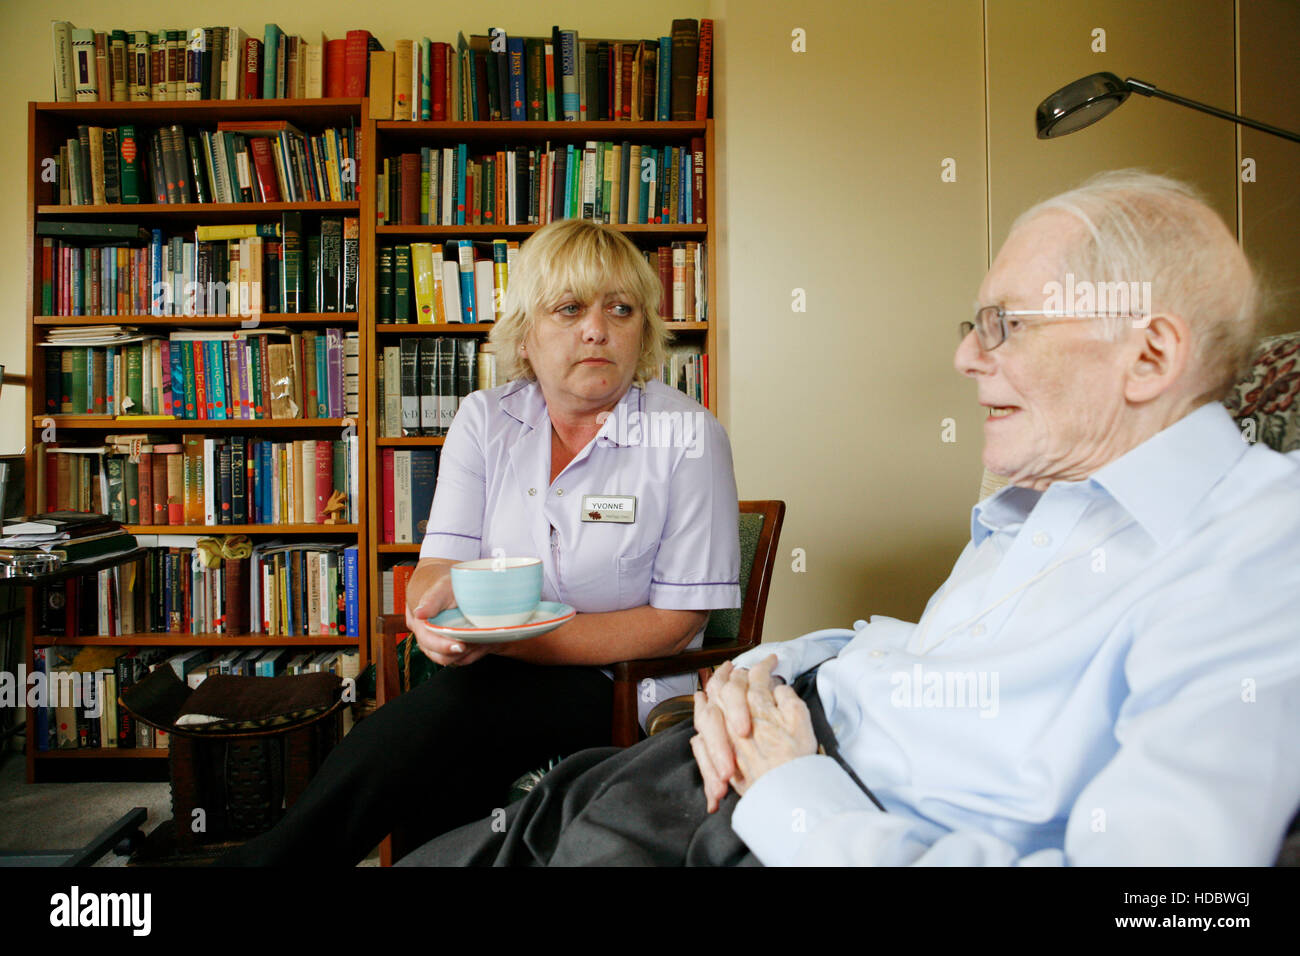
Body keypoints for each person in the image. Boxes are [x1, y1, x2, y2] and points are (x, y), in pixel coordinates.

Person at [399, 170, 1300, 866]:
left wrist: (793, 787)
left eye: (1004, 325)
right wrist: (769, 666)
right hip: (739, 741)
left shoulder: (1262, 549)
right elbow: (930, 656)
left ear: (1148, 353)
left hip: (782, 815)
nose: (962, 357)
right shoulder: (1041, 503)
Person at [224, 218, 740, 866]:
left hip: (623, 683)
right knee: (448, 728)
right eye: (570, 307)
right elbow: (438, 563)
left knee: (454, 712)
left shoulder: (688, 436)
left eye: (621, 308)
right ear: (526, 333)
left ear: (644, 331)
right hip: (493, 674)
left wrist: (515, 640)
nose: (596, 328)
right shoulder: (484, 419)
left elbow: (676, 621)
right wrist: (430, 613)